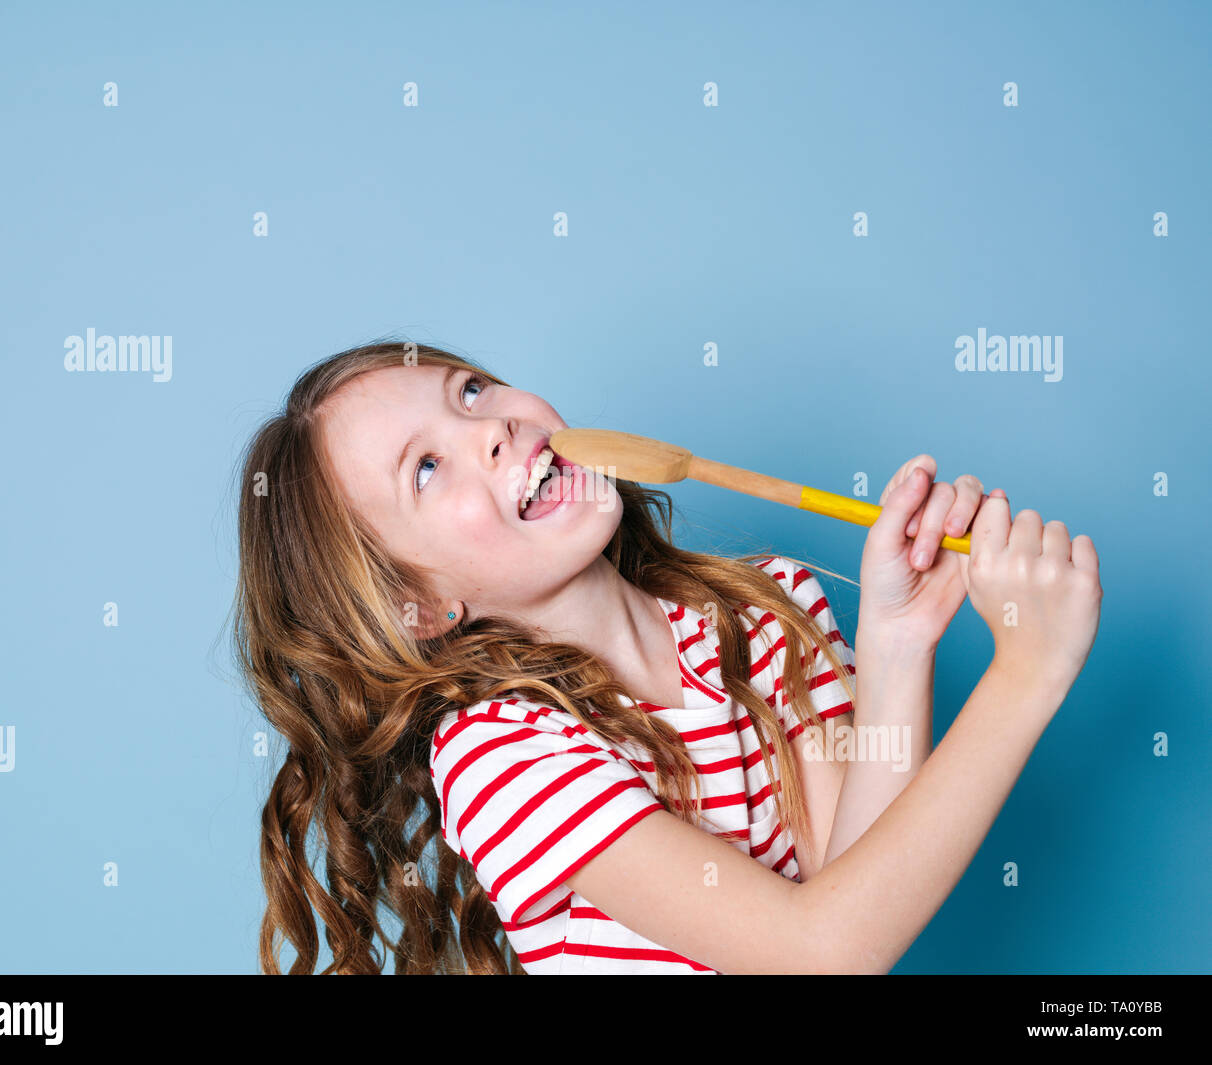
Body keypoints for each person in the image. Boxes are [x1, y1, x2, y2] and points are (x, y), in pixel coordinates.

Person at [231, 340, 1102, 974]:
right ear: (418, 607)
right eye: (425, 468)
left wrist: (900, 639)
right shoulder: (499, 756)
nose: (491, 428)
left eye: (469, 391)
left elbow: (860, 886)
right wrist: (1025, 676)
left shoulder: (769, 609)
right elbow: (821, 954)